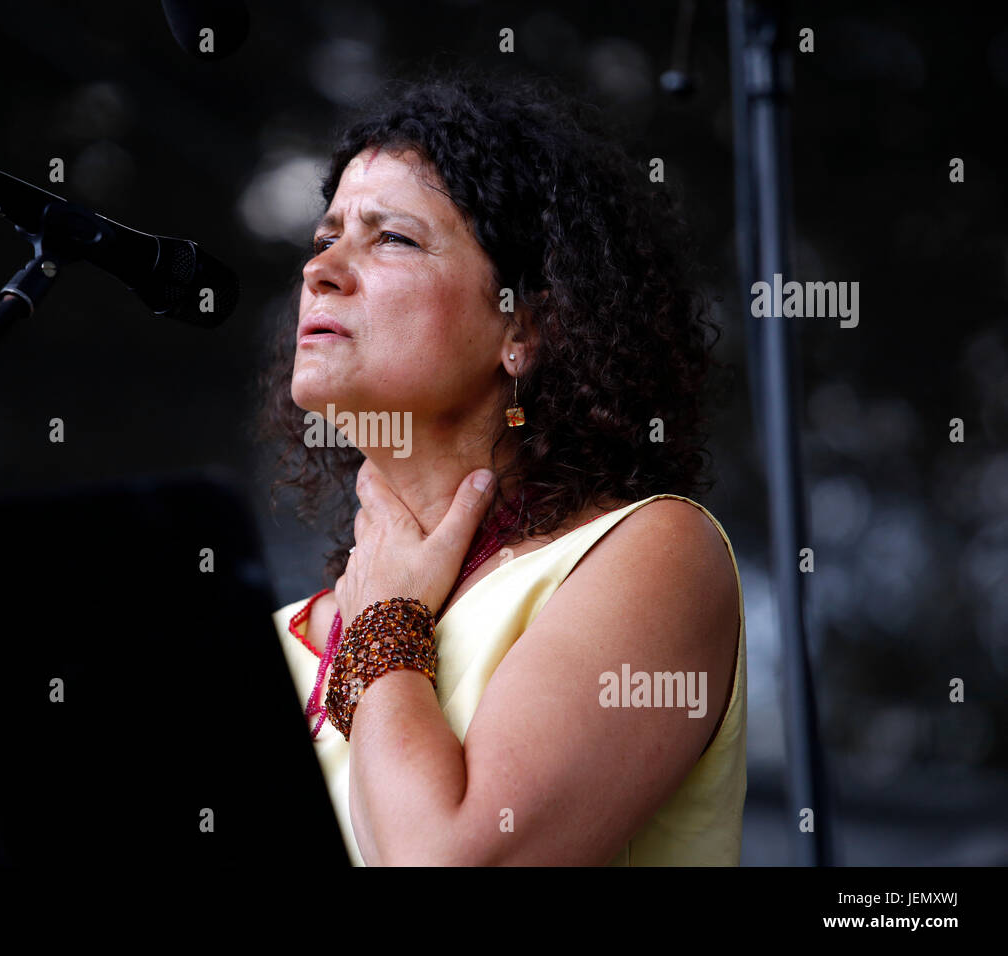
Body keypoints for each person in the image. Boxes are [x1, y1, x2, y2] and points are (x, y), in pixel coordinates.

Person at [257, 66, 745, 866]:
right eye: (325, 237)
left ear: (526, 326)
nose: (322, 269)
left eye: (392, 238)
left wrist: (386, 624)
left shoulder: (651, 555)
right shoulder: (278, 639)